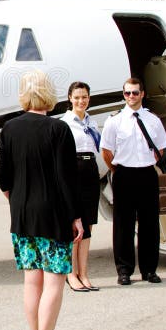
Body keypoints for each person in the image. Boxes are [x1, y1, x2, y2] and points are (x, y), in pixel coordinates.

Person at [0, 70, 84, 330]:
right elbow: (67, 178)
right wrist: (76, 216)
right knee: (54, 282)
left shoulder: (9, 128)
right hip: (53, 215)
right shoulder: (59, 129)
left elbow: (1, 175)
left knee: (31, 281)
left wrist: (16, 198)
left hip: (22, 215)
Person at [100, 77, 166, 286]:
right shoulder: (115, 121)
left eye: (135, 93)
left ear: (142, 94)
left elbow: (161, 146)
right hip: (124, 174)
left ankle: (149, 270)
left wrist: (149, 161)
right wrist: (116, 169)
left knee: (150, 224)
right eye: (127, 93)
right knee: (123, 225)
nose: (131, 97)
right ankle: (124, 270)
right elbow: (106, 151)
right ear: (123, 95)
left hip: (147, 174)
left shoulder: (152, 120)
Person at [61, 81, 101, 292]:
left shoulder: (91, 123)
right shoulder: (64, 123)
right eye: (77, 97)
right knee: (73, 226)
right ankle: (71, 273)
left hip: (90, 169)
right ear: (70, 98)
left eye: (84, 97)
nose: (81, 101)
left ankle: (84, 272)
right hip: (72, 170)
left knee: (88, 224)